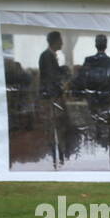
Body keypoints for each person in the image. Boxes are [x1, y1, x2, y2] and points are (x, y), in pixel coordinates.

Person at [37, 31, 69, 164]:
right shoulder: (47, 56)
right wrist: (57, 96)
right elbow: (51, 78)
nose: (62, 43)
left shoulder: (49, 56)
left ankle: (58, 156)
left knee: (57, 126)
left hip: (52, 97)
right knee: (55, 127)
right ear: (55, 41)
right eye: (60, 40)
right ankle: (56, 157)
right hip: (51, 98)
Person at [77, 34, 110, 113]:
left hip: (92, 97)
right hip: (106, 97)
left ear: (95, 45)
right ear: (106, 45)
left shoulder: (89, 60)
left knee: (93, 118)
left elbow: (82, 78)